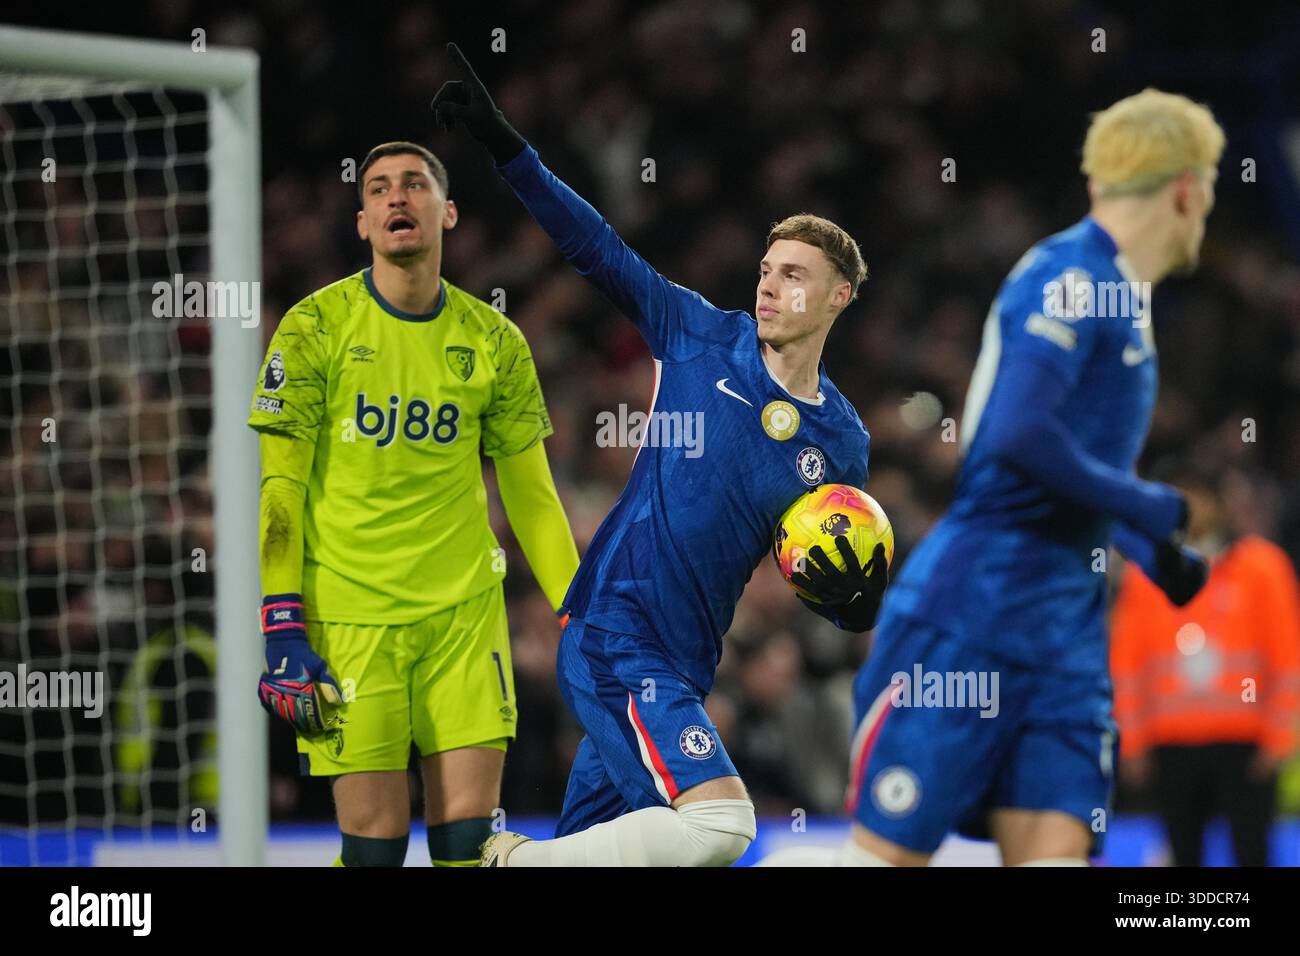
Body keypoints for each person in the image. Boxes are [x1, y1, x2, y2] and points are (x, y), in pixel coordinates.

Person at [432, 42, 887, 866]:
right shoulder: (698, 334)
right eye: (766, 268)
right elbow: (597, 248)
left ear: (838, 296)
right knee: (721, 825)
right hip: (615, 633)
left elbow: (813, 562)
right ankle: (508, 860)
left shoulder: (842, 442)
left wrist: (849, 607)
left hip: (687, 658)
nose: (769, 284)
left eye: (793, 274)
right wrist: (508, 148)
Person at [833, 89, 1223, 866]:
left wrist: (1150, 552)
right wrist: (1147, 503)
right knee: (885, 860)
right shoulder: (1071, 275)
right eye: (1211, 187)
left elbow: (1064, 475)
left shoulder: (1120, 296)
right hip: (973, 614)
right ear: (1187, 189)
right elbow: (1015, 435)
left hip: (1064, 636)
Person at [248, 140, 579, 866]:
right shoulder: (313, 328)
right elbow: (280, 492)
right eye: (378, 189)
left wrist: (575, 614)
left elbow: (532, 498)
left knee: (467, 845)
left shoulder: (495, 340)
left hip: (464, 616)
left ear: (448, 212)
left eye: (414, 184)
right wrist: (281, 624)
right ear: (362, 222)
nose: (396, 196)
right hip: (349, 617)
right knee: (375, 851)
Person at [1111, 464, 1300, 866]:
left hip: (1245, 743)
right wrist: (1133, 741)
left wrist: (1278, 737)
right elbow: (1127, 664)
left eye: (1197, 497)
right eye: (1178, 499)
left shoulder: (1262, 566)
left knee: (1252, 852)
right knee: (1182, 854)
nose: (1190, 509)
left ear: (1219, 502)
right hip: (1171, 743)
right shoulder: (1145, 574)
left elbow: (1287, 658)